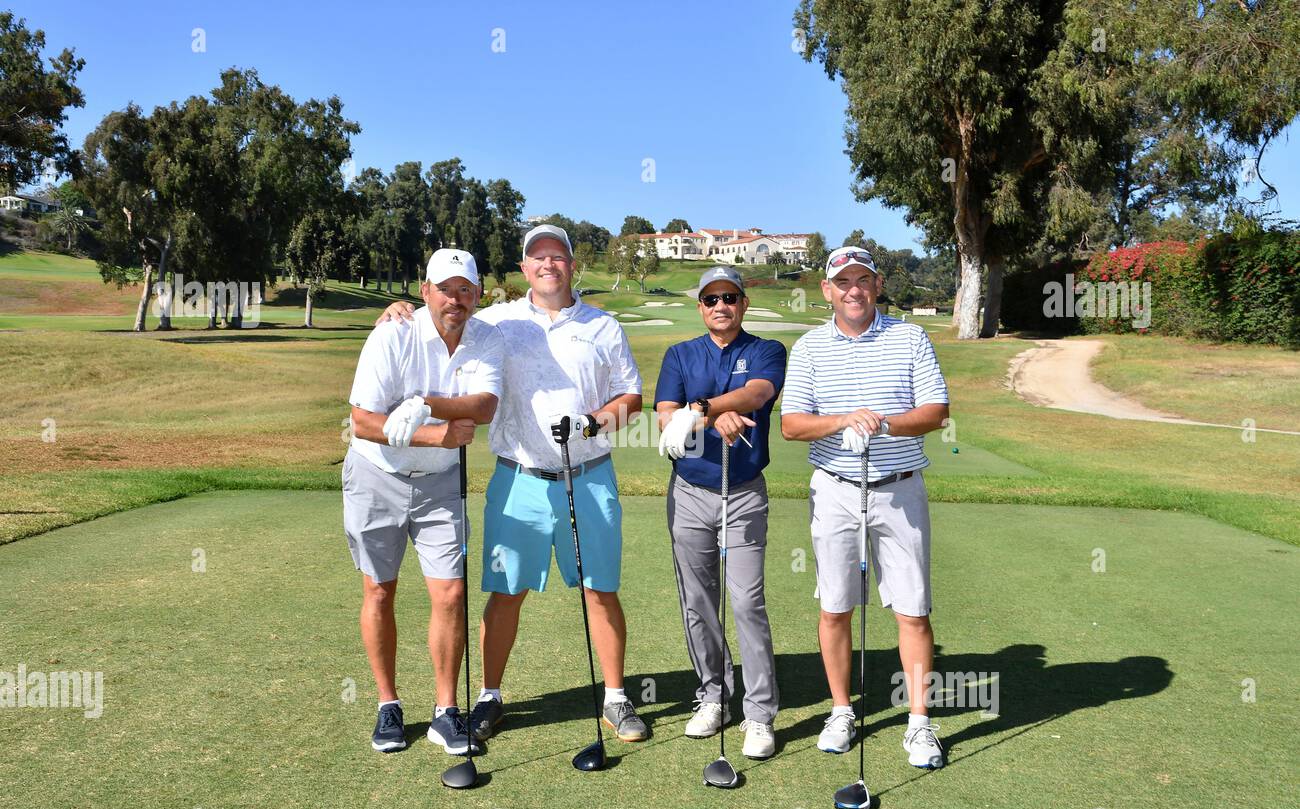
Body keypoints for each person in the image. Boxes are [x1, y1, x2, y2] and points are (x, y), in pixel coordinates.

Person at [375, 224, 649, 744]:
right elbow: (442, 314)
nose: (548, 265)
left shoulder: (604, 326)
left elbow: (630, 396)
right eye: (537, 258)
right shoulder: (496, 322)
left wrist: (594, 421)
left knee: (600, 592)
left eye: (558, 257)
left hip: (588, 479)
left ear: (572, 266)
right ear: (524, 269)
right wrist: (394, 313)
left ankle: (615, 698)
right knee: (506, 593)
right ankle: (490, 697)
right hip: (518, 479)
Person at [780, 245, 951, 769]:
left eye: (863, 280)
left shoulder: (910, 337)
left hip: (899, 488)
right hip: (834, 488)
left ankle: (919, 724)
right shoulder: (809, 348)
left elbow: (937, 411)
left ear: (877, 286)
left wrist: (884, 422)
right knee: (835, 606)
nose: (854, 289)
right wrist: (842, 421)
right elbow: (791, 425)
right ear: (828, 290)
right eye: (843, 281)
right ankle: (840, 710)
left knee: (912, 609)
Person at [345, 248, 504, 756]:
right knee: (379, 592)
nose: (455, 299)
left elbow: (484, 406)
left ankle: (444, 711)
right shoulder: (392, 333)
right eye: (445, 288)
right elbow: (363, 422)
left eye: (465, 289)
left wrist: (423, 406)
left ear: (476, 294)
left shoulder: (487, 338)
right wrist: (438, 436)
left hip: (441, 489)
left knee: (451, 595)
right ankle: (388, 703)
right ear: (425, 291)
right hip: (377, 475)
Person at [655, 266, 786, 759]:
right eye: (711, 299)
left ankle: (758, 714)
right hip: (689, 490)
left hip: (744, 491)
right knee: (697, 602)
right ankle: (713, 695)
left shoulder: (766, 350)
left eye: (729, 297)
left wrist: (704, 409)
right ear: (701, 307)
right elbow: (666, 412)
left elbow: (757, 394)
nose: (720, 306)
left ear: (743, 303)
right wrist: (698, 415)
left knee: (746, 603)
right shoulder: (680, 354)